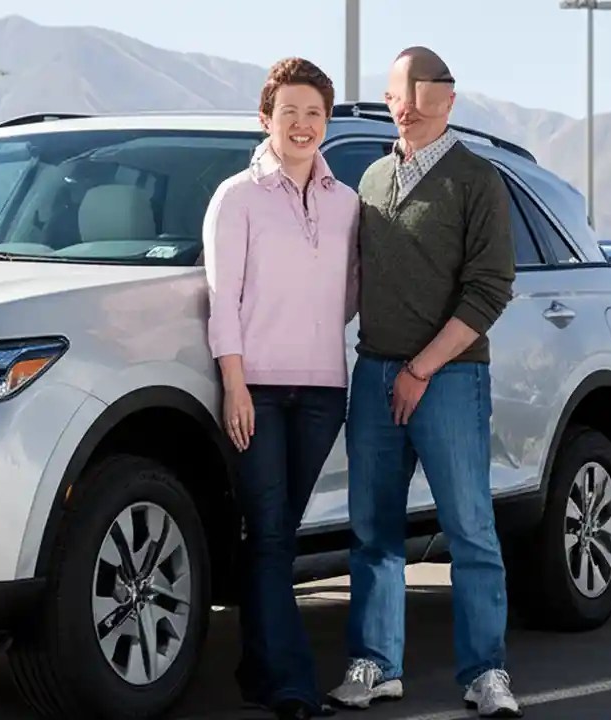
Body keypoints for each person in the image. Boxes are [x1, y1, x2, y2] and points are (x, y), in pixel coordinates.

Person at [325, 47, 522, 718]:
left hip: (449, 379)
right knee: (372, 530)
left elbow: (490, 290)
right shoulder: (373, 180)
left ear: (447, 98)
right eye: (391, 91)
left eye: (412, 89)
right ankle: (375, 664)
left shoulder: (476, 180)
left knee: (470, 528)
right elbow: (349, 284)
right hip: (374, 373)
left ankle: (485, 673)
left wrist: (421, 369)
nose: (398, 102)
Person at [202, 56, 360, 720]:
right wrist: (235, 386)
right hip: (258, 391)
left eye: (314, 113)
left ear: (326, 122)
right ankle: (292, 686)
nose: (302, 124)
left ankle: (254, 666)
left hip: (324, 390)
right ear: (266, 118)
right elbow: (222, 300)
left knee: (278, 534)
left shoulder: (348, 202)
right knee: (270, 536)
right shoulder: (236, 196)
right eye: (288, 112)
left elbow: (352, 293)